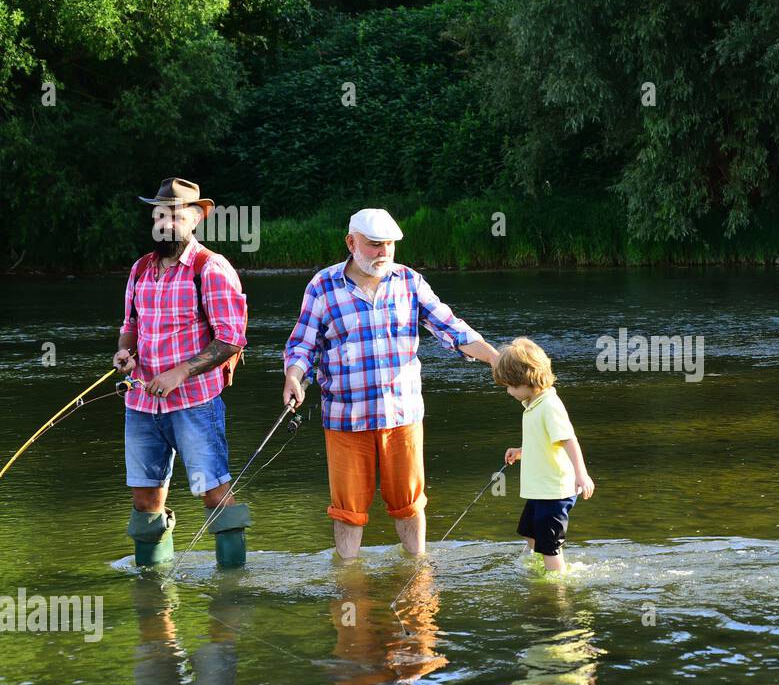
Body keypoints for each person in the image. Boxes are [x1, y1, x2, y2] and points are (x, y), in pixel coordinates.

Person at [282, 208, 499, 559]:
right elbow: (303, 346)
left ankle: (418, 572)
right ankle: (349, 584)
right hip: (345, 418)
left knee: (410, 505)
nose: (384, 252)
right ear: (351, 242)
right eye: (375, 245)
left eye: (390, 245)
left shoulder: (409, 281)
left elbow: (451, 327)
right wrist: (294, 377)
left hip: (403, 415)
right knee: (348, 510)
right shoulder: (322, 285)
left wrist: (494, 356)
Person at [115, 178, 249, 567]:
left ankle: (234, 587)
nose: (165, 222)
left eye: (175, 215)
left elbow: (231, 339)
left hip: (195, 403)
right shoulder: (140, 269)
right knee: (145, 500)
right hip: (140, 403)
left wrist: (180, 372)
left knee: (214, 493)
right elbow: (130, 324)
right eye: (159, 215)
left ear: (195, 219)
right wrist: (125, 353)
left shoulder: (211, 268)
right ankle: (153, 600)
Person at [493, 338, 595, 573]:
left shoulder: (549, 405)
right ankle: (536, 567)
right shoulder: (533, 404)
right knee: (529, 531)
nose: (508, 391)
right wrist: (521, 451)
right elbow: (545, 442)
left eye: (510, 386)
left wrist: (582, 474)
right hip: (540, 490)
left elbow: (569, 439)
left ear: (525, 380)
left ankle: (555, 586)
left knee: (550, 545)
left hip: (555, 490)